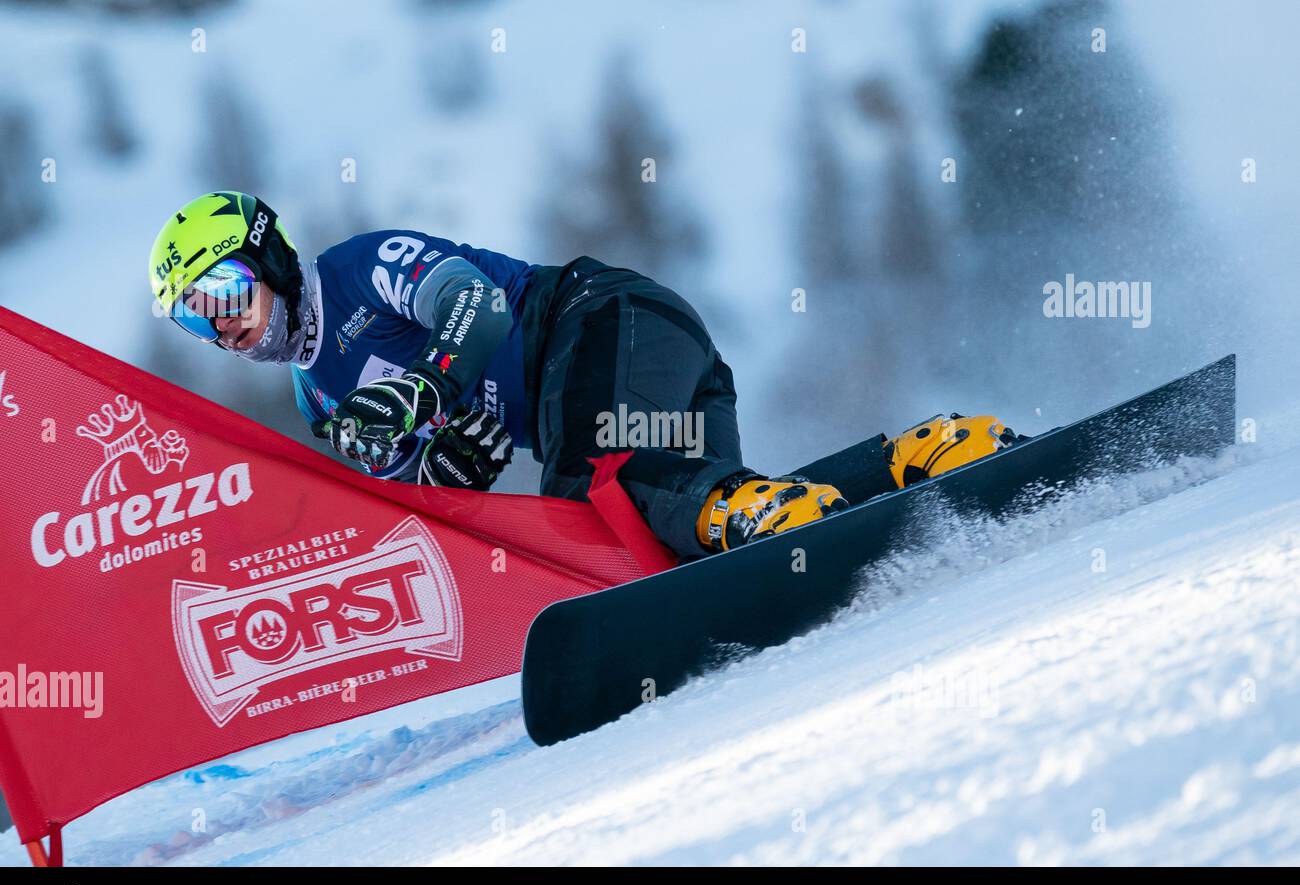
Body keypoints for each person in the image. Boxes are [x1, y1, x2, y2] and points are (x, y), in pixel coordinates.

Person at [149, 192, 1007, 559]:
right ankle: (916, 461)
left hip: (605, 320)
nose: (218, 321)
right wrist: (449, 468)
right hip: (641, 376)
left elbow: (477, 305)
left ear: (266, 255)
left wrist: (427, 388)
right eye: (194, 314)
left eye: (220, 287)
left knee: (598, 495)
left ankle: (767, 511)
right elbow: (420, 496)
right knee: (672, 530)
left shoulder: (355, 270)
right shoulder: (321, 401)